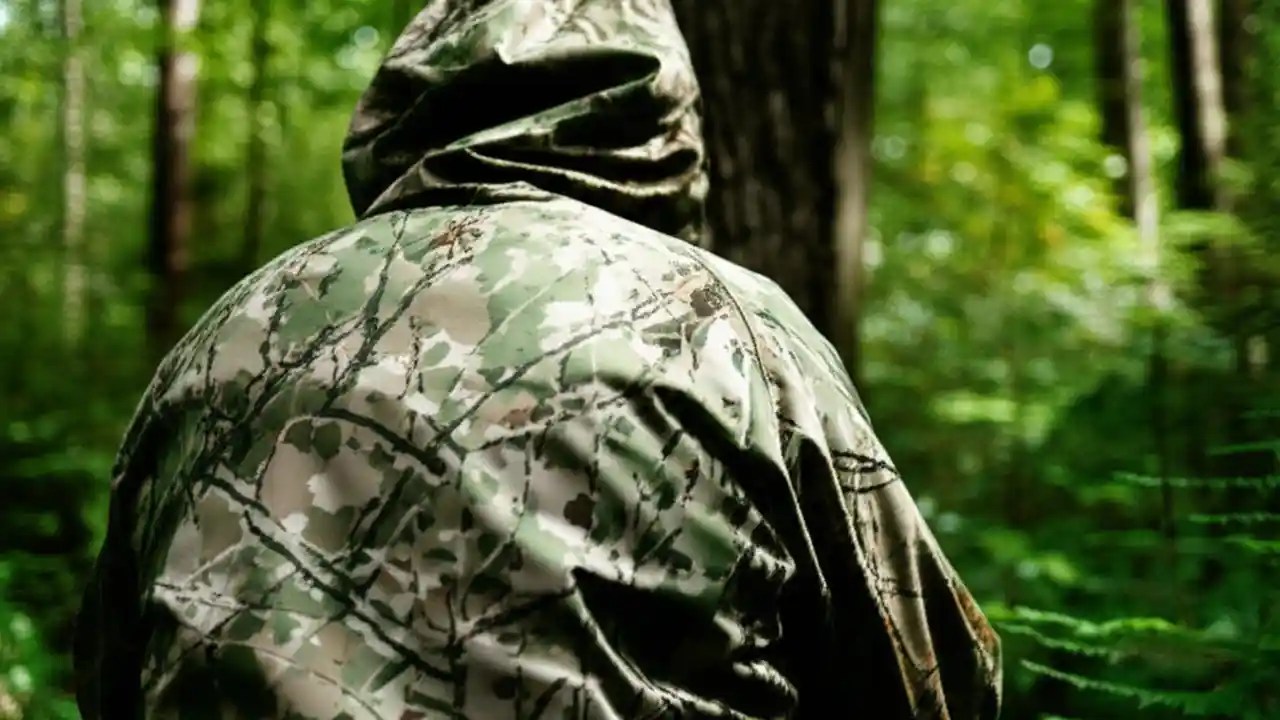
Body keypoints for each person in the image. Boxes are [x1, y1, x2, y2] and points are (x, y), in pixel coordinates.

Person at [74, 1, 1001, 717]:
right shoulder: (728, 326)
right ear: (657, 117)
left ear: (412, 107)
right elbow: (930, 679)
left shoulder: (225, 336)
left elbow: (114, 674)